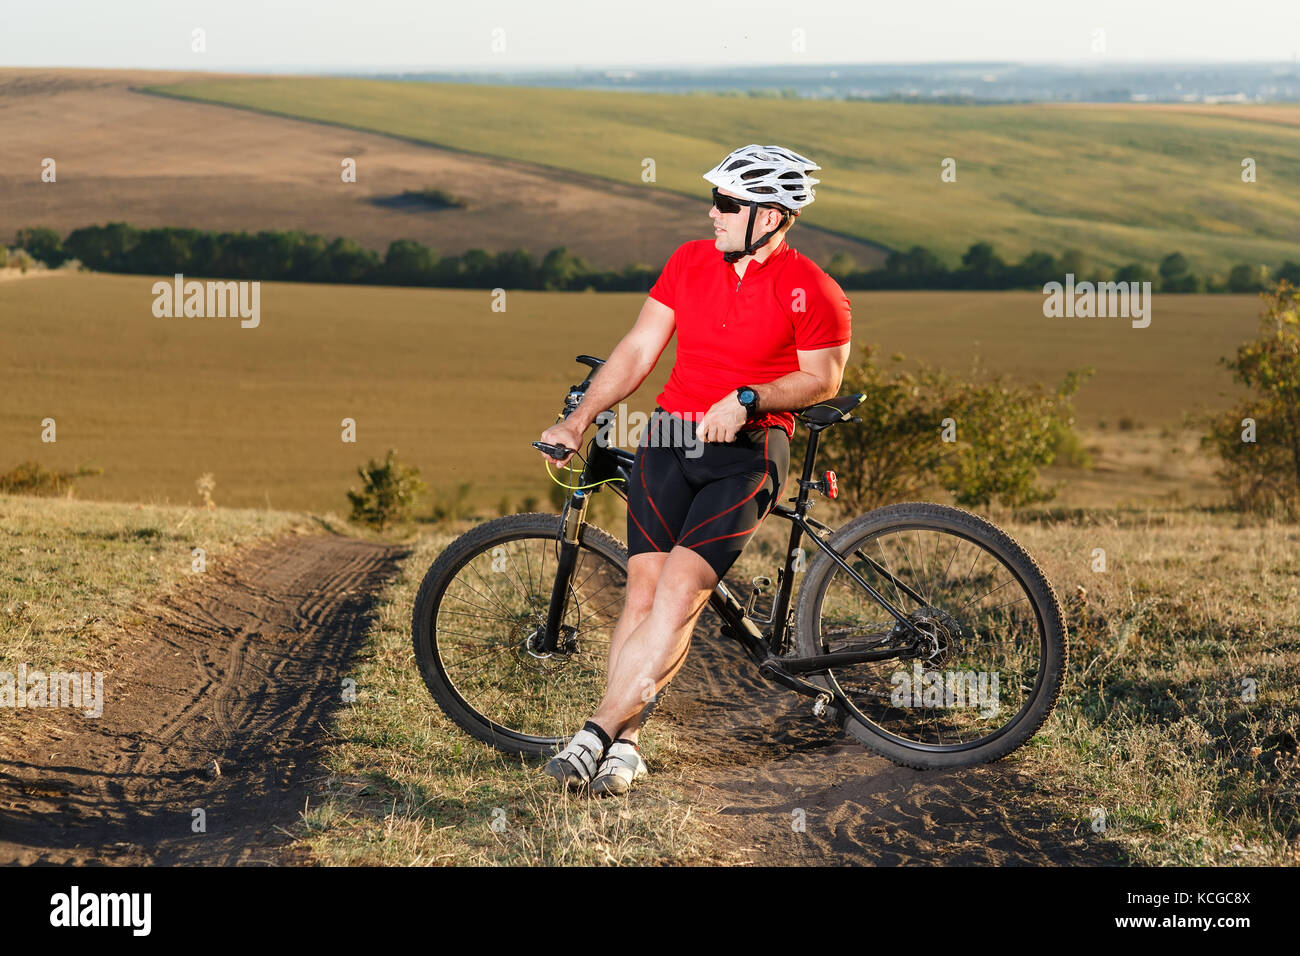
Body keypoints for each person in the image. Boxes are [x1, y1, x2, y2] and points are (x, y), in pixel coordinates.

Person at [536, 144, 852, 795]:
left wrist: (749, 399)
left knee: (681, 591)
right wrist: (580, 419)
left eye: (727, 203)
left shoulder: (814, 290)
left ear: (769, 217)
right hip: (669, 440)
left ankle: (594, 733)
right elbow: (639, 348)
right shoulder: (688, 262)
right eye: (714, 199)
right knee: (644, 593)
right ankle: (626, 745)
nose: (712, 213)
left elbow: (823, 378)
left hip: (750, 452)